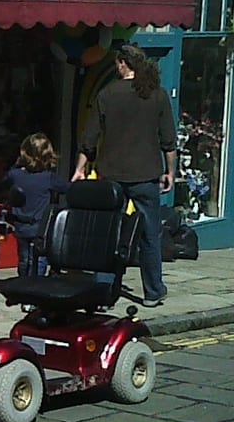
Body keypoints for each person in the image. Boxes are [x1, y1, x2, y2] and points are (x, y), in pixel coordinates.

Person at [72, 43, 176, 308]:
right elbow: (169, 141)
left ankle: (105, 293)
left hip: (112, 175)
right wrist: (170, 172)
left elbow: (90, 138)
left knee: (109, 233)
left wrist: (80, 167)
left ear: (122, 64)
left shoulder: (107, 94)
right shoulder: (157, 94)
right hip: (146, 174)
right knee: (150, 234)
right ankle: (153, 291)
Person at [5, 132, 70, 279]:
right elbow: (67, 189)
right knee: (39, 260)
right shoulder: (49, 178)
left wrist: (18, 163)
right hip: (40, 227)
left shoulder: (15, 175)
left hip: (21, 225)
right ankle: (35, 287)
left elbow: (4, 182)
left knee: (24, 259)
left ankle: (23, 285)